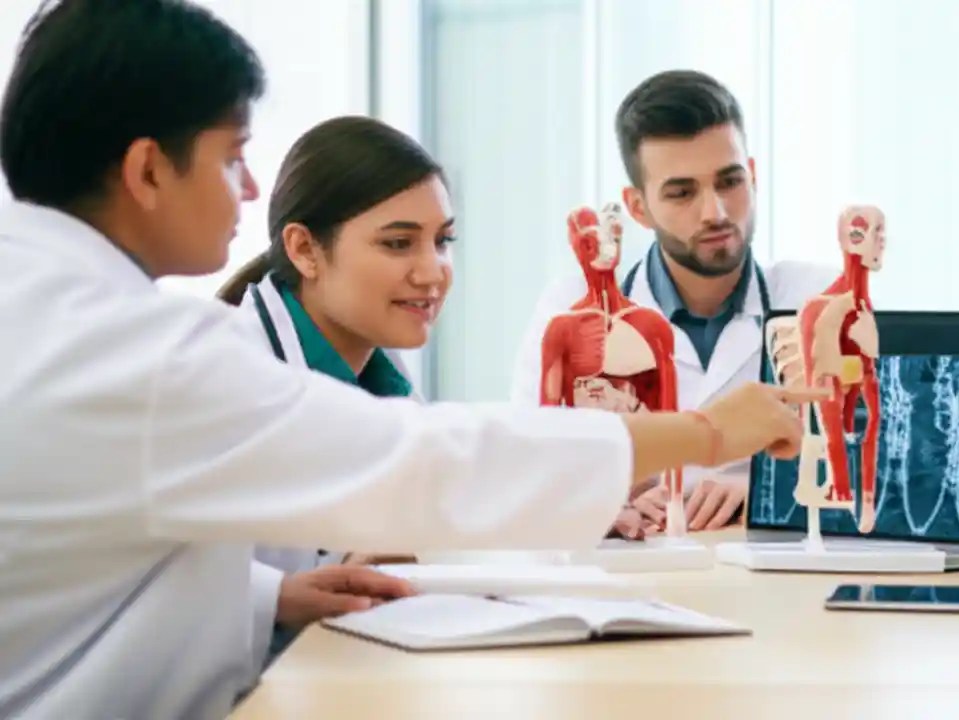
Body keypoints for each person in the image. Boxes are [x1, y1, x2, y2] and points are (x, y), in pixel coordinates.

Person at [0, 2, 816, 718]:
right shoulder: (137, 353)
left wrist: (267, 599)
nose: (249, 188)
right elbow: (426, 464)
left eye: (442, 241)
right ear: (147, 169)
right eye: (231, 156)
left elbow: (75, 564)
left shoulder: (48, 308)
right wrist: (706, 432)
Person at [510, 70, 837, 532]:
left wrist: (762, 492)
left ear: (754, 176)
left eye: (730, 181)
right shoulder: (569, 309)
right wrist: (604, 505)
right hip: (639, 578)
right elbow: (527, 466)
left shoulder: (816, 301)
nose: (716, 212)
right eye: (682, 192)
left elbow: (889, 467)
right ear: (638, 206)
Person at [213, 115, 460, 664]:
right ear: (303, 249)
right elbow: (143, 576)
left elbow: (448, 472)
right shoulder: (229, 371)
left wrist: (591, 505)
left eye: (443, 241)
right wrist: (277, 598)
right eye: (398, 243)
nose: (433, 272)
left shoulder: (377, 364)